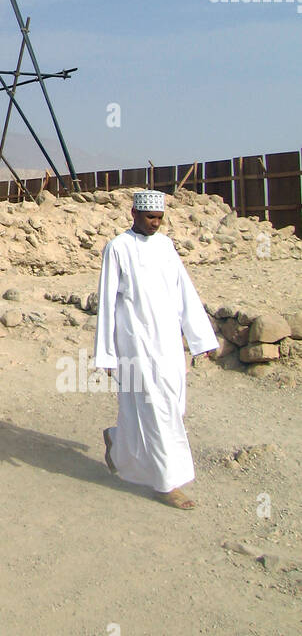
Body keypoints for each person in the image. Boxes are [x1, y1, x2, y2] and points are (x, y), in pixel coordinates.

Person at [94, 189, 218, 509]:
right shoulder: (117, 248)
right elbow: (107, 303)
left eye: (160, 218)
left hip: (169, 343)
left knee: (172, 407)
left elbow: (184, 292)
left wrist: (199, 339)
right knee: (158, 411)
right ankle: (168, 484)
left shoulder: (165, 246)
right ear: (133, 212)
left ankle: (119, 442)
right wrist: (107, 353)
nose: (156, 224)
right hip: (136, 343)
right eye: (151, 217)